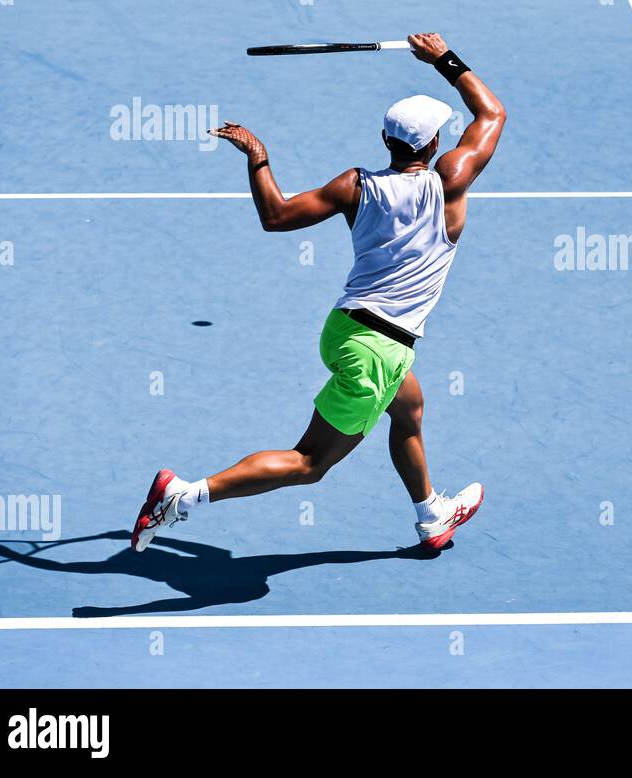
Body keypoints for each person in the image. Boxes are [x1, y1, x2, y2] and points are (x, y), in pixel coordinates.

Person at [130, 32, 505, 552]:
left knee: (409, 408)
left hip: (345, 329)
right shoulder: (450, 181)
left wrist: (257, 157)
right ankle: (184, 497)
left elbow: (276, 215)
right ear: (436, 145)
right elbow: (492, 115)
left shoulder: (355, 186)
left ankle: (431, 516)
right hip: (379, 349)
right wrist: (443, 57)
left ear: (384, 139)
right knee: (309, 464)